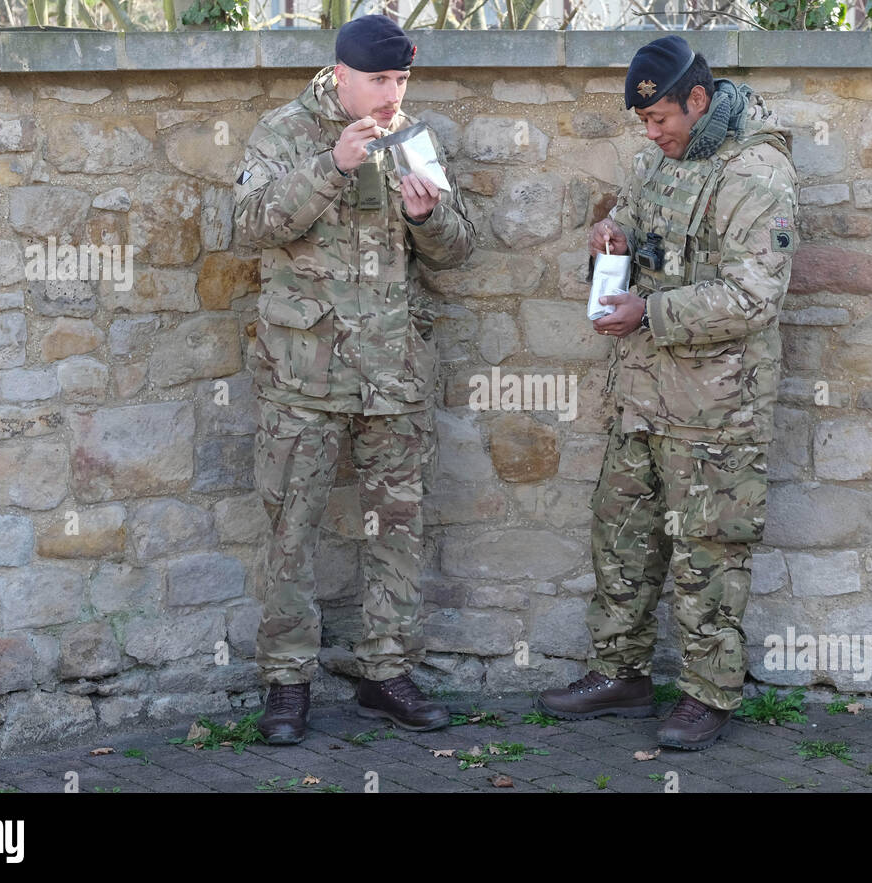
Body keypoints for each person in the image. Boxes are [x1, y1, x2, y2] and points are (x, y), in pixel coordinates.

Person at [537, 35, 800, 750]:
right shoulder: (660, 158)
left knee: (709, 551)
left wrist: (648, 313)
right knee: (619, 535)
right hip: (642, 396)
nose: (652, 135)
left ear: (697, 99)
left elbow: (753, 296)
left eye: (661, 121)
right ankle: (618, 671)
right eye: (643, 125)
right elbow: (629, 221)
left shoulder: (757, 172)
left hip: (716, 406)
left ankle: (707, 693)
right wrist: (609, 239)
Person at [232, 14, 474, 744]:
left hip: (392, 373)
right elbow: (246, 224)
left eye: (401, 79)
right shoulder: (283, 133)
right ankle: (285, 683)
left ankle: (385, 672)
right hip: (302, 376)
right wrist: (331, 166)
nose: (391, 93)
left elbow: (458, 250)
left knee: (397, 530)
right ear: (340, 75)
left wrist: (429, 220)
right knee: (289, 531)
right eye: (379, 79)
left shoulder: (411, 137)